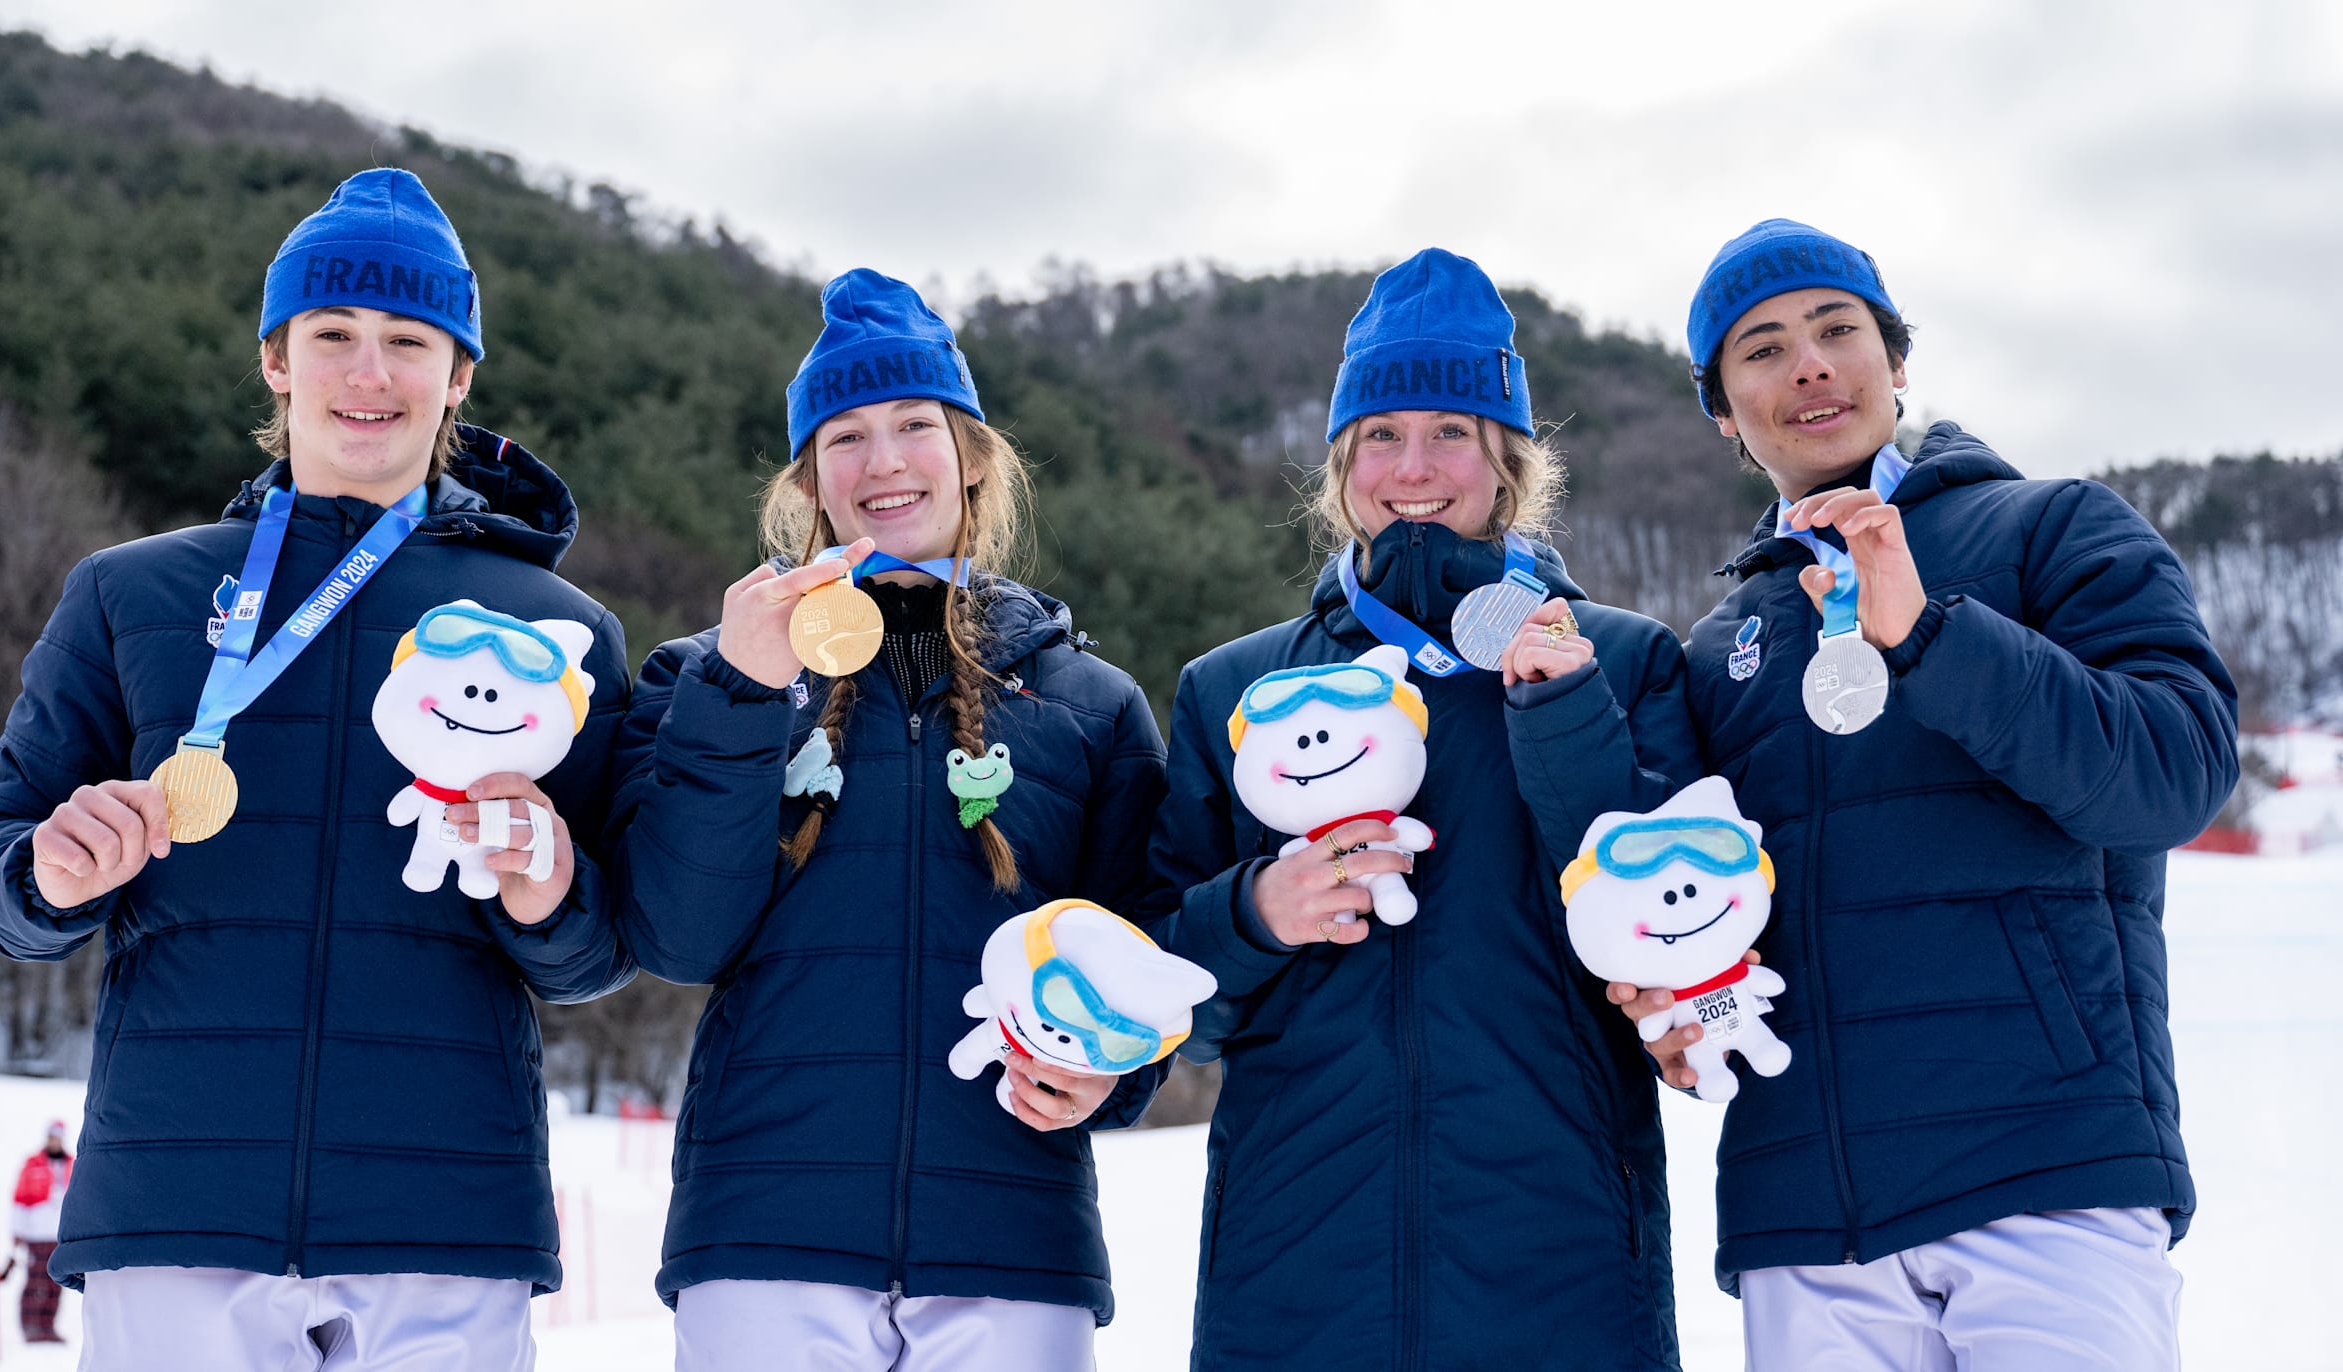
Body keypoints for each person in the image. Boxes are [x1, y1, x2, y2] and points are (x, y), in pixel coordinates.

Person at [0, 168, 634, 1369]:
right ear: (276, 358)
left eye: (408, 340)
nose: (369, 372)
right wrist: (49, 874)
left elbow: (593, 950)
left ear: (459, 376)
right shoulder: (131, 592)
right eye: (332, 334)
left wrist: (549, 888)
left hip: (444, 1211)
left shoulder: (552, 629)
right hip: (178, 1201)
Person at [1642, 218, 2238, 1370]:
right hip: (1807, 1219)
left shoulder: (2053, 527)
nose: (1808, 365)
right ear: (1720, 410)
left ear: (1896, 359)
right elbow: (1700, 909)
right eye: (1761, 349)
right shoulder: (1716, 650)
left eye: (1837, 330)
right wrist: (1676, 1002)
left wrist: (1929, 634)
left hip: (2049, 1179)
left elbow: (2171, 776)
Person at [1147, 248, 1702, 1370]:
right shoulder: (1234, 689)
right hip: (1293, 1274)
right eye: (1381, 434)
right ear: (1341, 462)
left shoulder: (1626, 662)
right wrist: (1255, 911)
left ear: (1508, 460)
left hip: (1561, 1268)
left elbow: (1673, 929)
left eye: (1452, 430)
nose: (1413, 466)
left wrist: (1560, 712)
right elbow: (1168, 1007)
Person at [608, 269, 1168, 1371]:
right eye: (846, 437)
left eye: (915, 424)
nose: (884, 462)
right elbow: (679, 936)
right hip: (765, 1231)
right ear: (809, 477)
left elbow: (1138, 951)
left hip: (1013, 1236)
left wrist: (1113, 1075)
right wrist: (738, 693)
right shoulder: (704, 674)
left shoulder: (1093, 707)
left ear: (972, 454)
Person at [8, 1120, 75, 1344]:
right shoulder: (32, 1164)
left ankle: (48, 1326)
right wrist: (17, 1230)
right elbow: (20, 1198)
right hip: (36, 1233)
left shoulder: (72, 1163)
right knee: (35, 1281)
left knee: (56, 1282)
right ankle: (30, 1325)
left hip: (59, 1234)